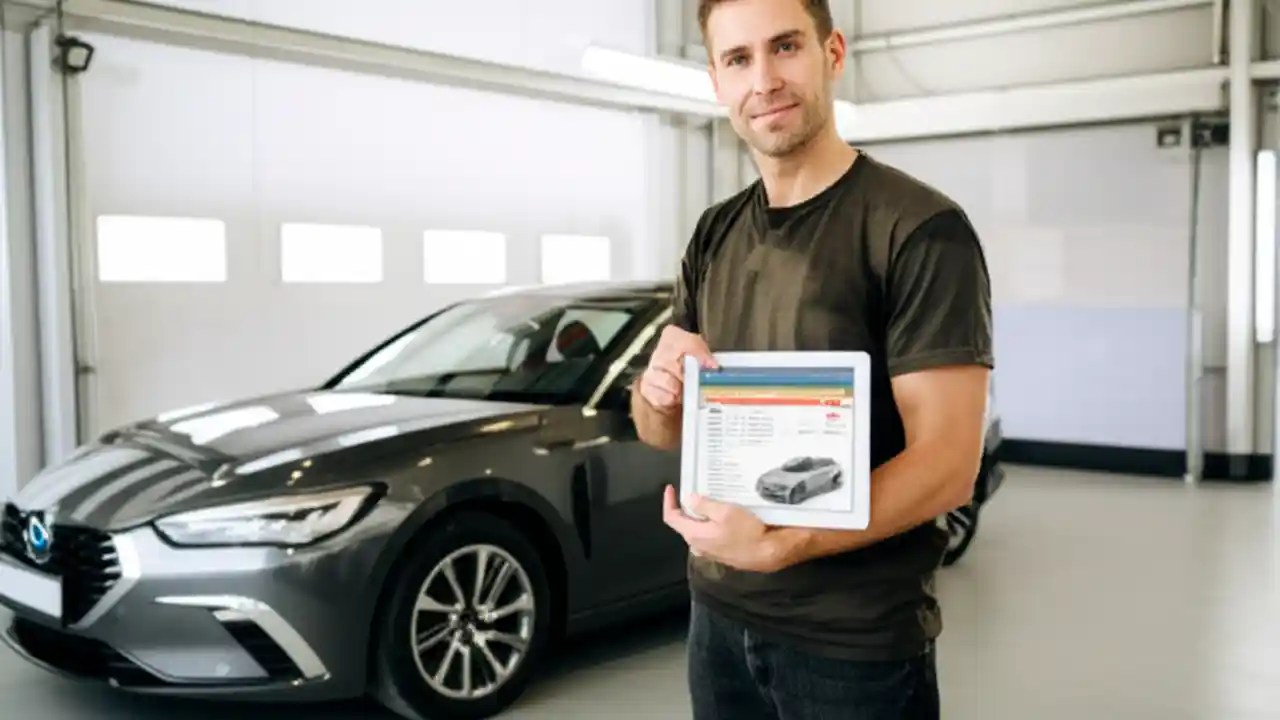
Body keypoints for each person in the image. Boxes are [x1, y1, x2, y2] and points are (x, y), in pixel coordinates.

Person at [629, 0, 995, 718]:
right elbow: (660, 432)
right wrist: (658, 391)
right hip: (717, 619)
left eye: (785, 47)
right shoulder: (714, 233)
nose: (763, 79)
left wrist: (784, 544)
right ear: (715, 80)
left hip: (852, 646)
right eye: (738, 59)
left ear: (832, 54)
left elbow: (950, 465)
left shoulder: (918, 230)